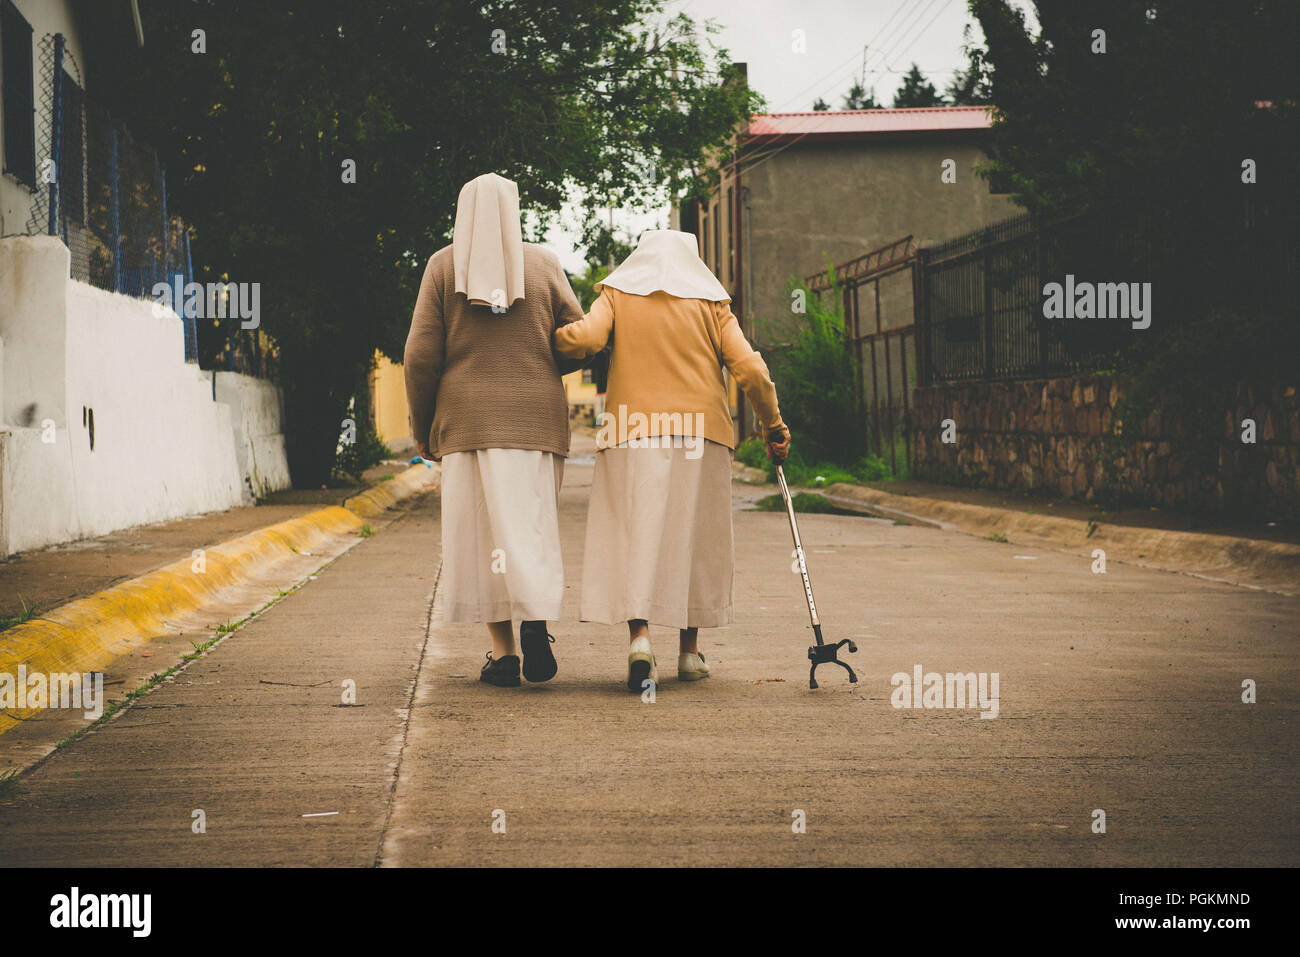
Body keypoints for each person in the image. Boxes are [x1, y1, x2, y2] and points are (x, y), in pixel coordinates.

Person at [554, 229, 791, 691]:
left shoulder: (619, 293)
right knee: (694, 538)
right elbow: (752, 371)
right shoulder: (712, 305)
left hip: (631, 430)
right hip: (701, 436)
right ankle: (688, 653)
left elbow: (584, 339)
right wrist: (773, 426)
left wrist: (540, 341)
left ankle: (640, 640)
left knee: (636, 535)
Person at [403, 172, 584, 688]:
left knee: (482, 537)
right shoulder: (545, 263)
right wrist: (545, 365)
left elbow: (419, 357)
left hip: (466, 423)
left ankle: (503, 654)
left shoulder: (443, 265)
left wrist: (422, 425)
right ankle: (535, 624)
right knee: (530, 528)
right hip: (537, 421)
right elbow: (578, 339)